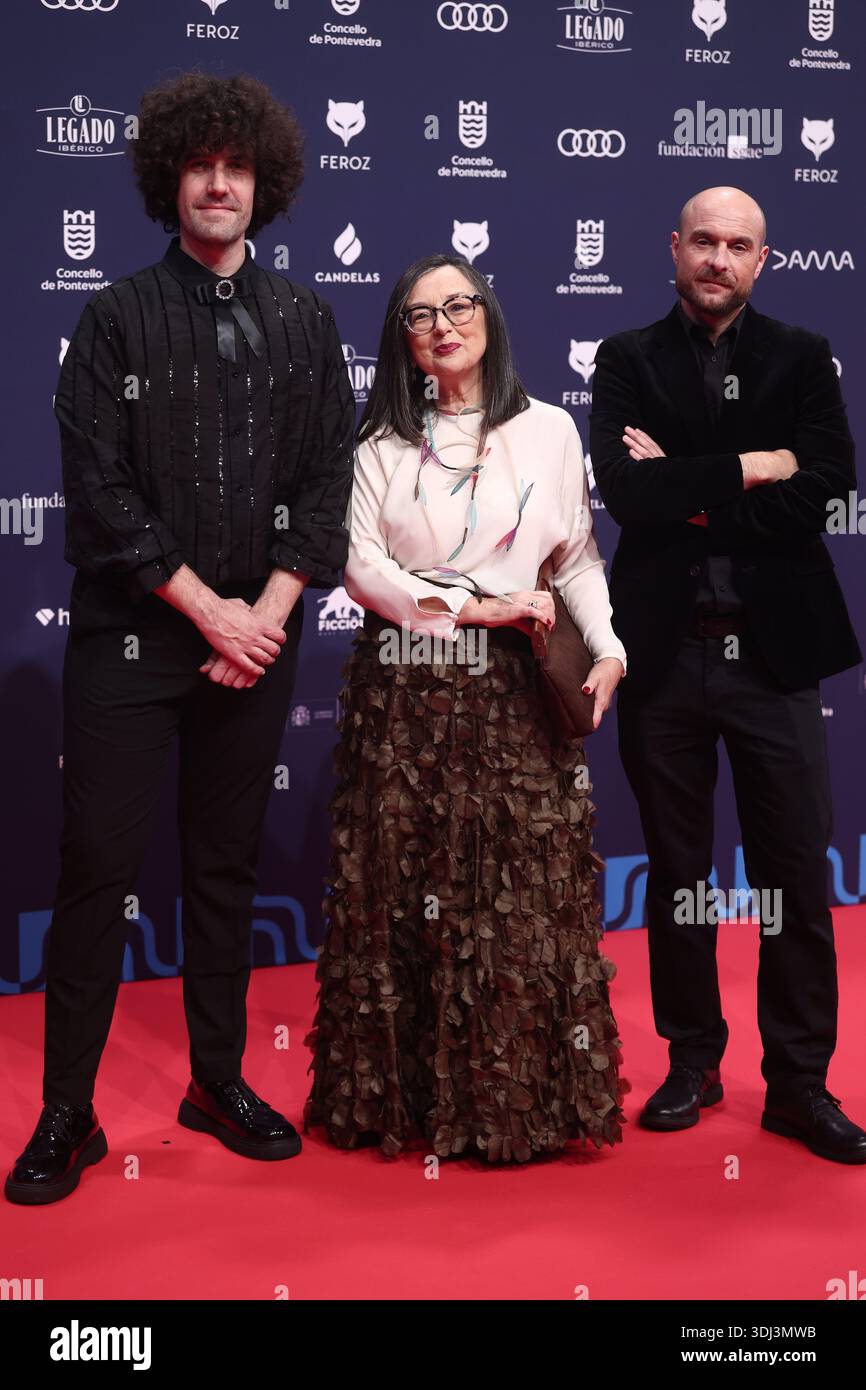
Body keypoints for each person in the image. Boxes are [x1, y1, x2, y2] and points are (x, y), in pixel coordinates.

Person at [5, 72, 355, 1205]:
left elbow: (324, 480)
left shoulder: (306, 320)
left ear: (264, 183)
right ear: (169, 182)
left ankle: (216, 1079)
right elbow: (97, 492)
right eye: (199, 165)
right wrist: (209, 609)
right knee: (97, 870)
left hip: (257, 639)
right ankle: (69, 1111)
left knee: (223, 867)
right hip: (135, 637)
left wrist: (266, 611)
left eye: (236, 166)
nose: (218, 182)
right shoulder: (113, 315)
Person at [304, 253, 629, 1164]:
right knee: (399, 890)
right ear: (402, 342)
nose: (443, 324)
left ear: (488, 315)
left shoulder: (553, 432)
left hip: (519, 694)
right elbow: (362, 569)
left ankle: (511, 1105)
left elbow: (573, 560)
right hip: (404, 696)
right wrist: (469, 606)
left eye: (459, 305)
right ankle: (403, 1103)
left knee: (515, 901)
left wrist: (608, 647)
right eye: (420, 316)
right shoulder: (375, 446)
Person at [589, 185, 866, 1163]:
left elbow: (824, 491)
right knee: (677, 876)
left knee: (792, 874)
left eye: (735, 244)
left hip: (775, 657)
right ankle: (691, 1060)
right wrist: (752, 463)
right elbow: (624, 492)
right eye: (701, 240)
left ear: (761, 260)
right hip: (664, 656)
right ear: (673, 248)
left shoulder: (799, 357)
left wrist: (693, 486)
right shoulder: (626, 358)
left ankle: (796, 1083)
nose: (716, 257)